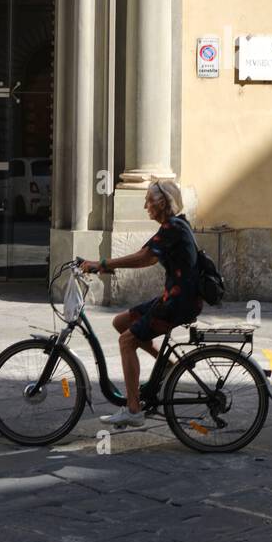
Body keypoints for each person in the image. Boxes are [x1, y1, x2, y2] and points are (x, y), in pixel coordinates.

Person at [80, 179, 202, 429]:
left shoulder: (173, 227)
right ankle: (168, 366)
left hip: (179, 302)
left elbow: (143, 258)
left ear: (162, 203)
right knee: (121, 321)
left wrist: (101, 264)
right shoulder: (172, 226)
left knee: (127, 340)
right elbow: (146, 259)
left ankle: (134, 410)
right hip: (175, 297)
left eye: (149, 200)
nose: (146, 204)